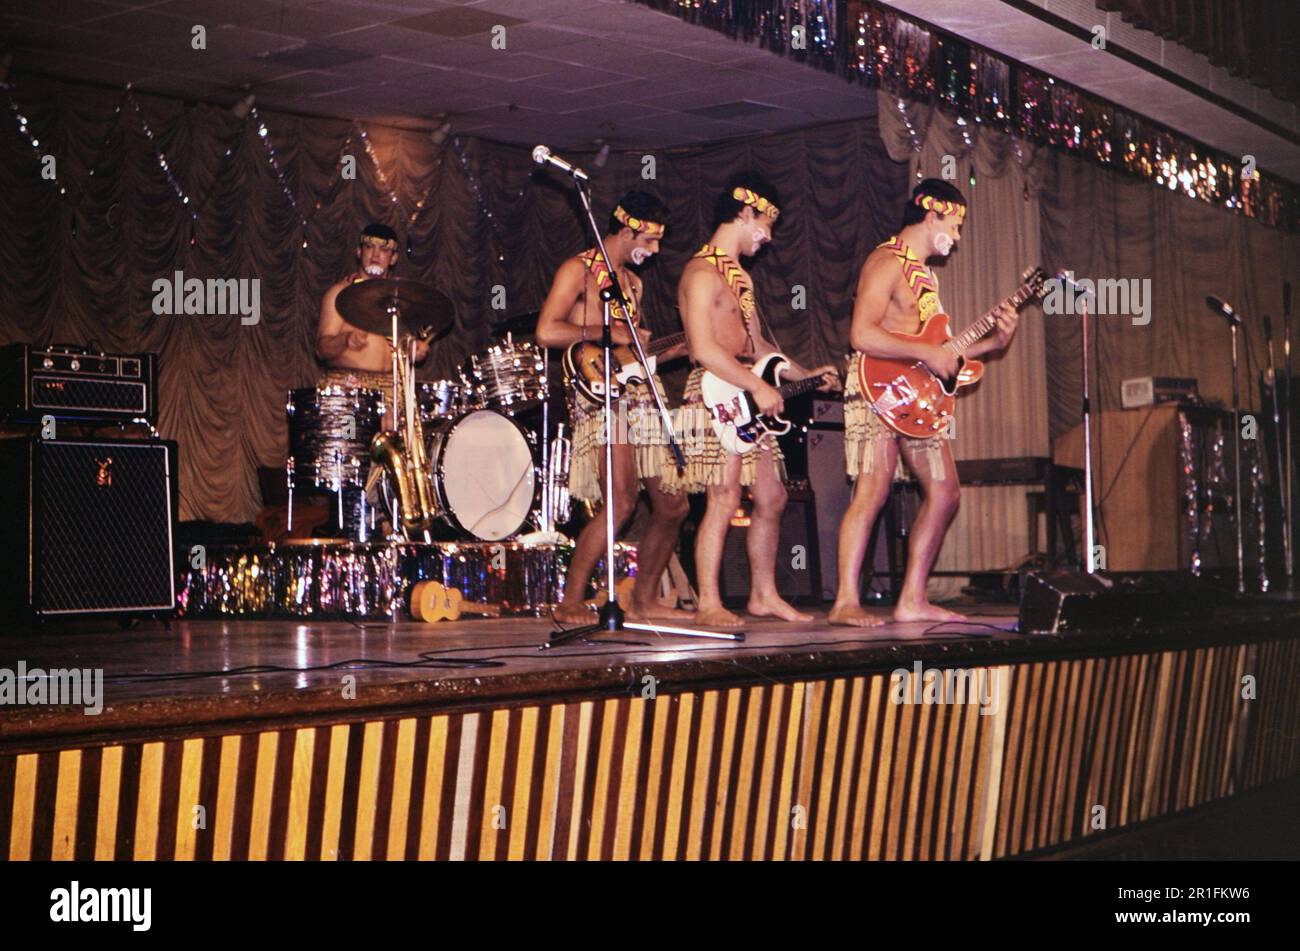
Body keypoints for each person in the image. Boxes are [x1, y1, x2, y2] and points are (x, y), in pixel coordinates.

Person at [829, 179, 1019, 626]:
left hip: (916, 396)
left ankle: (912, 598)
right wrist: (928, 352)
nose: (955, 237)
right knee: (873, 490)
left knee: (945, 491)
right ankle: (843, 600)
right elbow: (861, 334)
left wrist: (994, 342)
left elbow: (939, 350)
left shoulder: (925, 277)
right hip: (877, 389)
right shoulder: (886, 261)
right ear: (931, 215)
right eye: (953, 226)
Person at [675, 172, 838, 628]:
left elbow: (757, 344)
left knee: (772, 494)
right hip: (717, 388)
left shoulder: (739, 275)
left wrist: (801, 374)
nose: (767, 237)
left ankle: (764, 594)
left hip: (744, 385)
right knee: (723, 497)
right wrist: (757, 386)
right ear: (745, 213)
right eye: (766, 224)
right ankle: (709, 601)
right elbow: (704, 349)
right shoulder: (701, 272)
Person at [535, 191, 692, 623]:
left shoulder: (633, 284)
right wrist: (608, 332)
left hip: (641, 394)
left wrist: (679, 348)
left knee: (674, 505)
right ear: (626, 231)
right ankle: (569, 603)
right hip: (600, 395)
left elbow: (633, 355)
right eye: (651, 240)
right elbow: (547, 331)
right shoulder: (579, 269)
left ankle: (642, 600)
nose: (655, 251)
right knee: (621, 502)